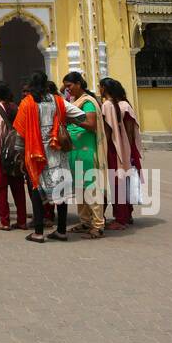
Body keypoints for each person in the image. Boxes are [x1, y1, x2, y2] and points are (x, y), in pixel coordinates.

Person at [12, 71, 92, 242]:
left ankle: (38, 233)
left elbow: (20, 133)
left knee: (36, 189)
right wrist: (63, 123)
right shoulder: (57, 100)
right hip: (57, 152)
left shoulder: (27, 103)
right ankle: (61, 231)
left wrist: (19, 154)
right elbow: (80, 115)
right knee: (60, 192)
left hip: (36, 153)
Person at [61, 72, 105, 238]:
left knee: (91, 188)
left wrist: (71, 120)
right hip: (75, 150)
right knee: (80, 188)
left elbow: (91, 124)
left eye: (70, 86)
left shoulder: (87, 102)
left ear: (79, 84)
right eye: (66, 86)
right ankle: (85, 221)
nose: (67, 89)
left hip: (86, 150)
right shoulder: (74, 101)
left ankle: (98, 224)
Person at [97, 77, 143, 229]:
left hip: (113, 149)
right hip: (127, 148)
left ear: (104, 88)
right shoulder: (125, 105)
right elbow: (130, 131)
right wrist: (129, 151)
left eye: (100, 87)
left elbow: (107, 131)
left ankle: (120, 219)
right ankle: (126, 214)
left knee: (116, 183)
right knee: (124, 181)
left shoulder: (107, 105)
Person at [0, 81, 27, 231]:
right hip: (16, 149)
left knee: (2, 186)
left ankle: (5, 221)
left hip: (0, 149)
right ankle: (22, 220)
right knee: (18, 186)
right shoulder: (16, 107)